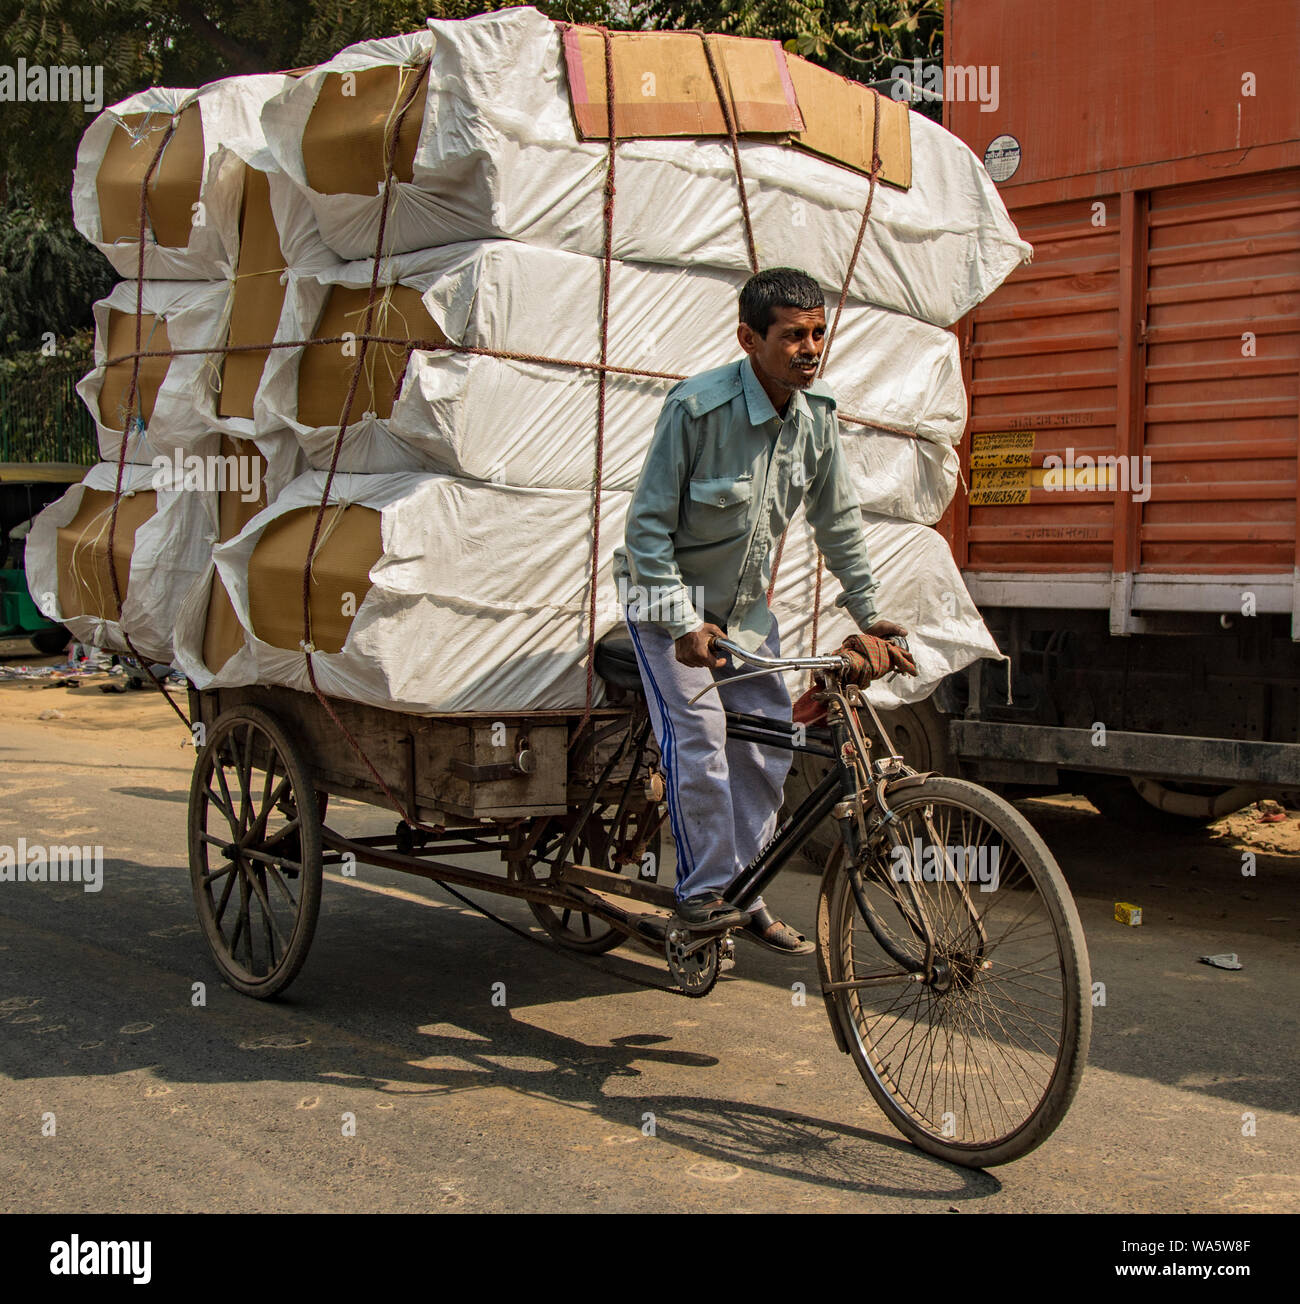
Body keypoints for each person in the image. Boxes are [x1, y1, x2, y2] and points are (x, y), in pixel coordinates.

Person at [612, 267, 913, 954]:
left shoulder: (816, 420)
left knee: (769, 744)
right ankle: (701, 895)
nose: (809, 349)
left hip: (745, 614)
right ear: (749, 338)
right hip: (668, 609)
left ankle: (742, 888)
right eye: (791, 336)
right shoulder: (696, 410)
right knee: (702, 739)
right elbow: (646, 532)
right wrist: (683, 623)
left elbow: (837, 525)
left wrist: (868, 616)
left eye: (817, 334)